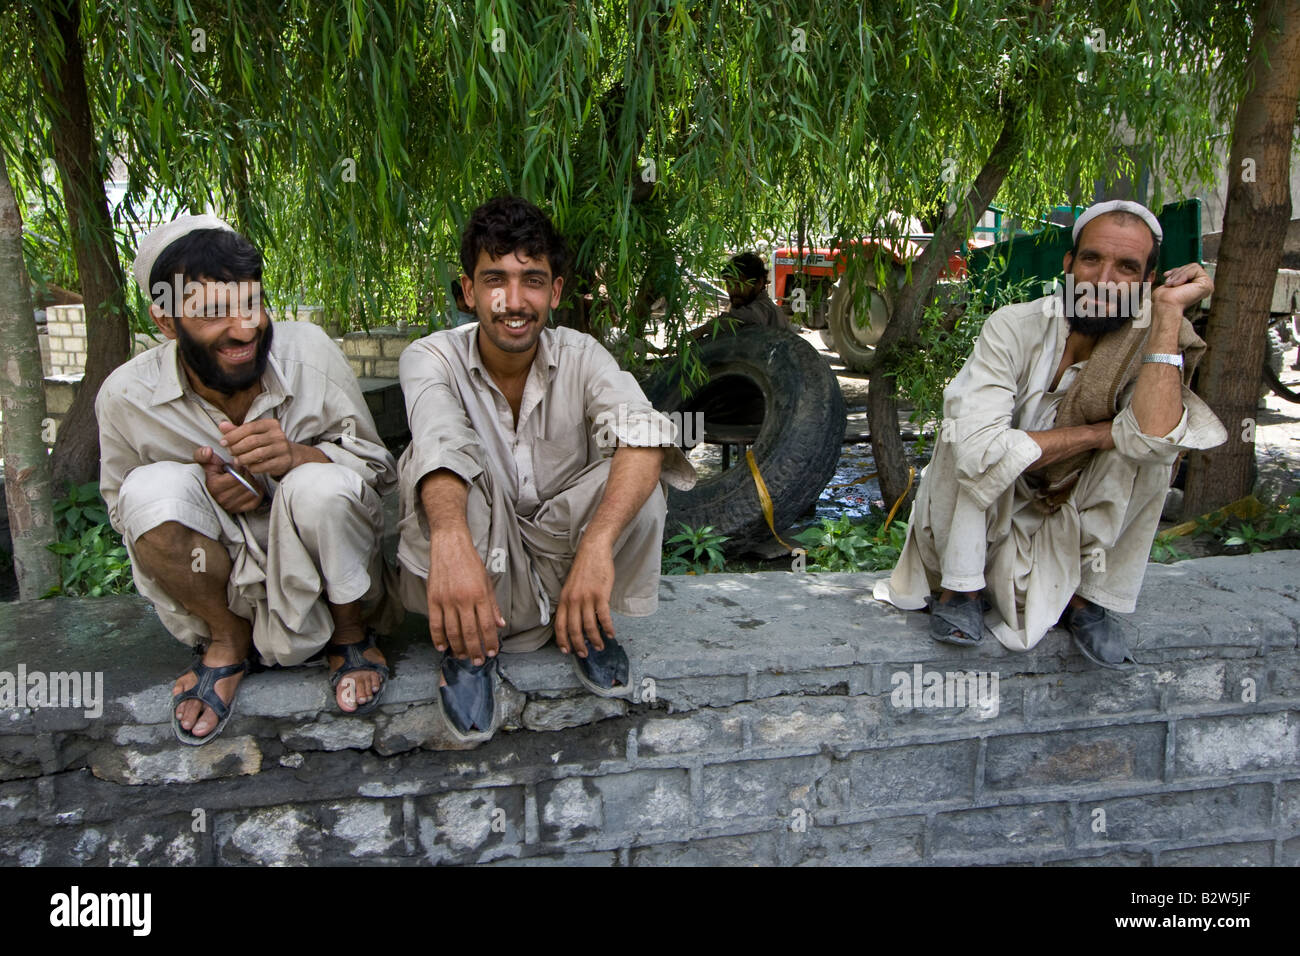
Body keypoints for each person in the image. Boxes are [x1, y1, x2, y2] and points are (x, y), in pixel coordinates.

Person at [873, 200, 1227, 667]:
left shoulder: (1144, 337)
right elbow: (980, 450)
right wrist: (1101, 433)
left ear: (1145, 282)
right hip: (978, 521)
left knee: (1155, 448)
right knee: (964, 434)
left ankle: (1088, 600)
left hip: (1060, 520)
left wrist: (1166, 314)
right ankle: (961, 591)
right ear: (1069, 264)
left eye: (1126, 268)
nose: (1103, 279)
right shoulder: (1014, 327)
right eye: (1091, 259)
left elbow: (1154, 438)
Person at [395, 196, 696, 741]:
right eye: (495, 279)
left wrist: (599, 543)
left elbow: (645, 431)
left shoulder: (581, 355)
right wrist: (449, 538)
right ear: (468, 292)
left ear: (554, 292)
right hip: (477, 555)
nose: (514, 301)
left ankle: (585, 626)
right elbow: (438, 439)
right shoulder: (430, 357)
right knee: (432, 470)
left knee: (641, 475)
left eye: (532, 280)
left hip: (562, 556)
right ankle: (468, 649)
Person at [96, 215, 400, 745]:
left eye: (250, 304)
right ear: (166, 322)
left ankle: (350, 634)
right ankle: (226, 640)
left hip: (327, 570)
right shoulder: (125, 398)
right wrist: (204, 488)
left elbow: (377, 471)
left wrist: (294, 459)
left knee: (319, 486)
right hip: (222, 576)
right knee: (149, 493)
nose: (243, 329)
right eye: (213, 314)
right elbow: (126, 515)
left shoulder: (308, 352)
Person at [689, 252, 791, 339]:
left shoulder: (764, 309)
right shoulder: (746, 305)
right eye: (729, 284)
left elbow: (743, 318)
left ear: (759, 283)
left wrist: (704, 329)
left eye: (739, 284)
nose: (733, 290)